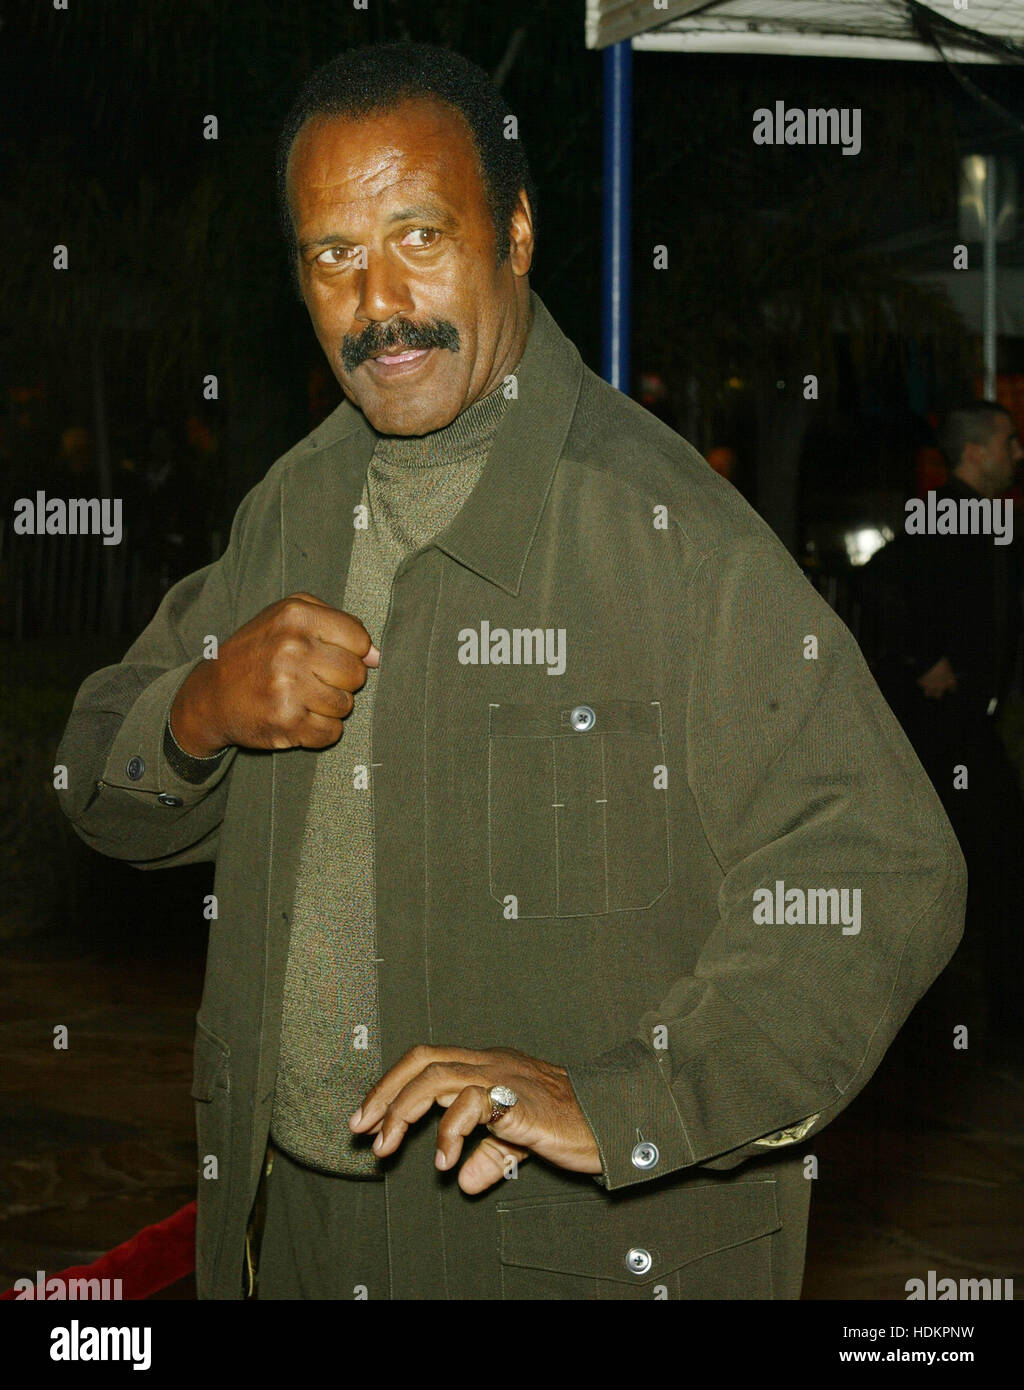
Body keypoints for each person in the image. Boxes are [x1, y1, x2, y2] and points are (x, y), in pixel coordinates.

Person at [56, 41, 966, 1301]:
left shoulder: (660, 532)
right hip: (292, 1241)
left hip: (554, 1258)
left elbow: (879, 866)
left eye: (419, 235)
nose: (377, 299)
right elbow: (88, 776)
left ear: (518, 233)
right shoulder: (291, 510)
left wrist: (634, 1096)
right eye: (332, 254)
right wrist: (197, 712)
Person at [862, 400, 1024, 1065]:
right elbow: (877, 583)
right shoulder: (944, 512)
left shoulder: (989, 522)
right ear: (977, 451)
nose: (1019, 453)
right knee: (984, 871)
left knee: (984, 872)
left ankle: (974, 1030)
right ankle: (980, 1032)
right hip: (942, 735)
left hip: (967, 729)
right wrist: (920, 656)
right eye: (1010, 442)